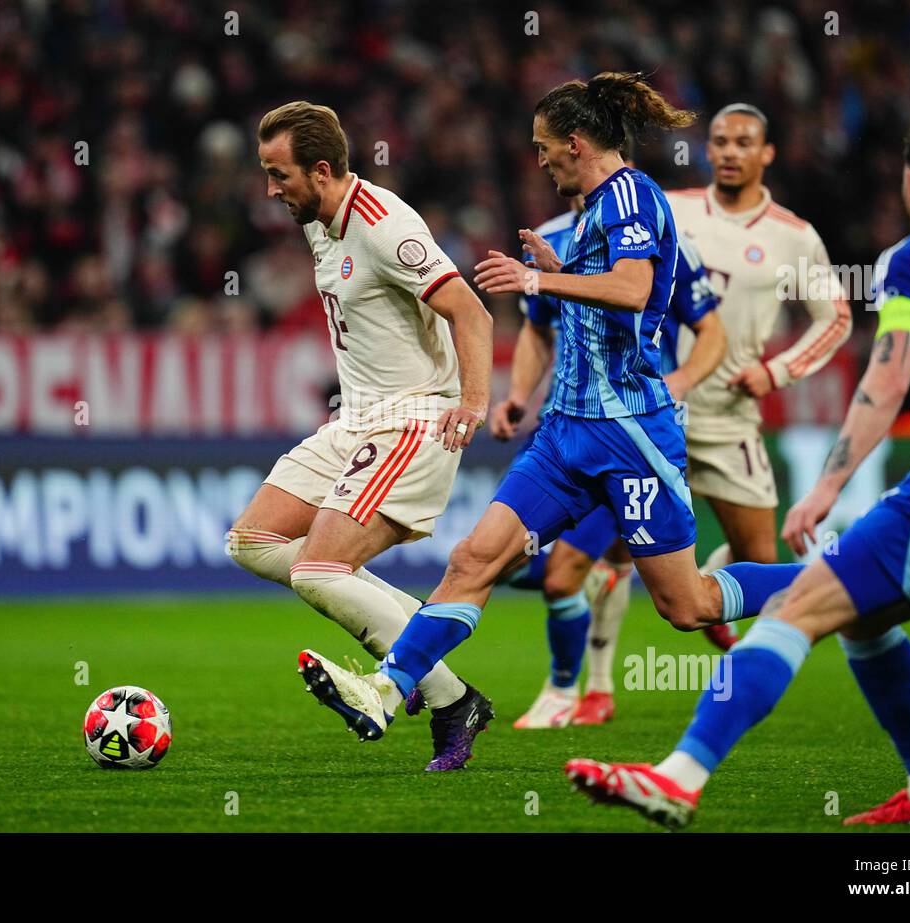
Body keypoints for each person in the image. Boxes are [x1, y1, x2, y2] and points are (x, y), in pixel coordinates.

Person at [295, 73, 804, 746]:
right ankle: (384, 692)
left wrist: (538, 278)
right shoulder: (595, 211)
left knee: (689, 605)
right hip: (564, 434)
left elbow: (634, 289)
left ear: (575, 143)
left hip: (629, 433)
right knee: (474, 560)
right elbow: (602, 302)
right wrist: (560, 269)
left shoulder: (631, 195)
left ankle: (834, 578)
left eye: (543, 147)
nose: (538, 161)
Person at [566, 113, 910, 828]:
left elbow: (887, 378)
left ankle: (677, 778)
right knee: (862, 617)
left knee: (793, 609)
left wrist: (826, 488)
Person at [228, 101, 496, 772]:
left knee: (319, 570)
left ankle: (417, 688)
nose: (270, 189)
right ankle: (439, 676)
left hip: (413, 419)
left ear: (322, 171)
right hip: (354, 419)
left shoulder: (384, 227)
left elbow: (471, 312)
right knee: (252, 540)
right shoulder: (320, 221)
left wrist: (472, 402)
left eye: (279, 174)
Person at [494, 198, 730, 728]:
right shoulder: (551, 236)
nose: (550, 163)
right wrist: (518, 395)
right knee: (527, 565)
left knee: (571, 577)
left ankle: (567, 689)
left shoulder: (659, 238)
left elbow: (713, 332)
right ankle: (595, 686)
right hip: (568, 430)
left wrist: (679, 382)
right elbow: (537, 329)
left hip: (635, 434)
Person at [667, 104, 851, 570]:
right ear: (708, 151)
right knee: (606, 546)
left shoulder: (793, 237)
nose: (731, 153)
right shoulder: (671, 208)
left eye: (744, 143)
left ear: (767, 153)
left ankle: (710, 585)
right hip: (655, 405)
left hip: (727, 416)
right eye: (721, 142)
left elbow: (835, 317)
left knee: (759, 562)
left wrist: (777, 372)